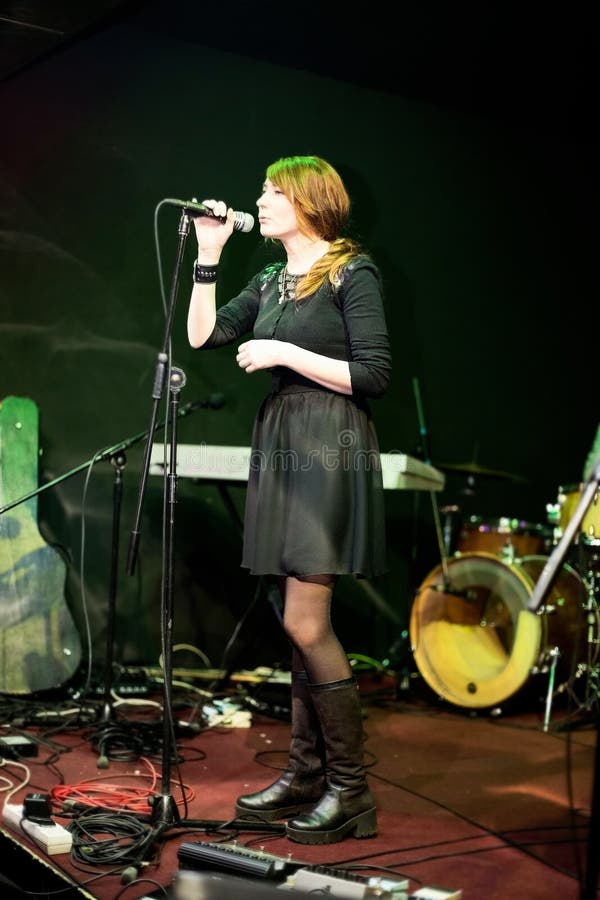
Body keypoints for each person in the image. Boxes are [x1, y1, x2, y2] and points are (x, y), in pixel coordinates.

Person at [186, 155, 391, 845]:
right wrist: (208, 256)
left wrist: (283, 352)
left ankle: (350, 790)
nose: (260, 201)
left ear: (308, 200)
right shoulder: (271, 278)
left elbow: (374, 373)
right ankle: (306, 774)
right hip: (283, 443)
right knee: (296, 620)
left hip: (327, 445)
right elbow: (203, 335)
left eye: (273, 191)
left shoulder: (351, 271)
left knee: (307, 623)